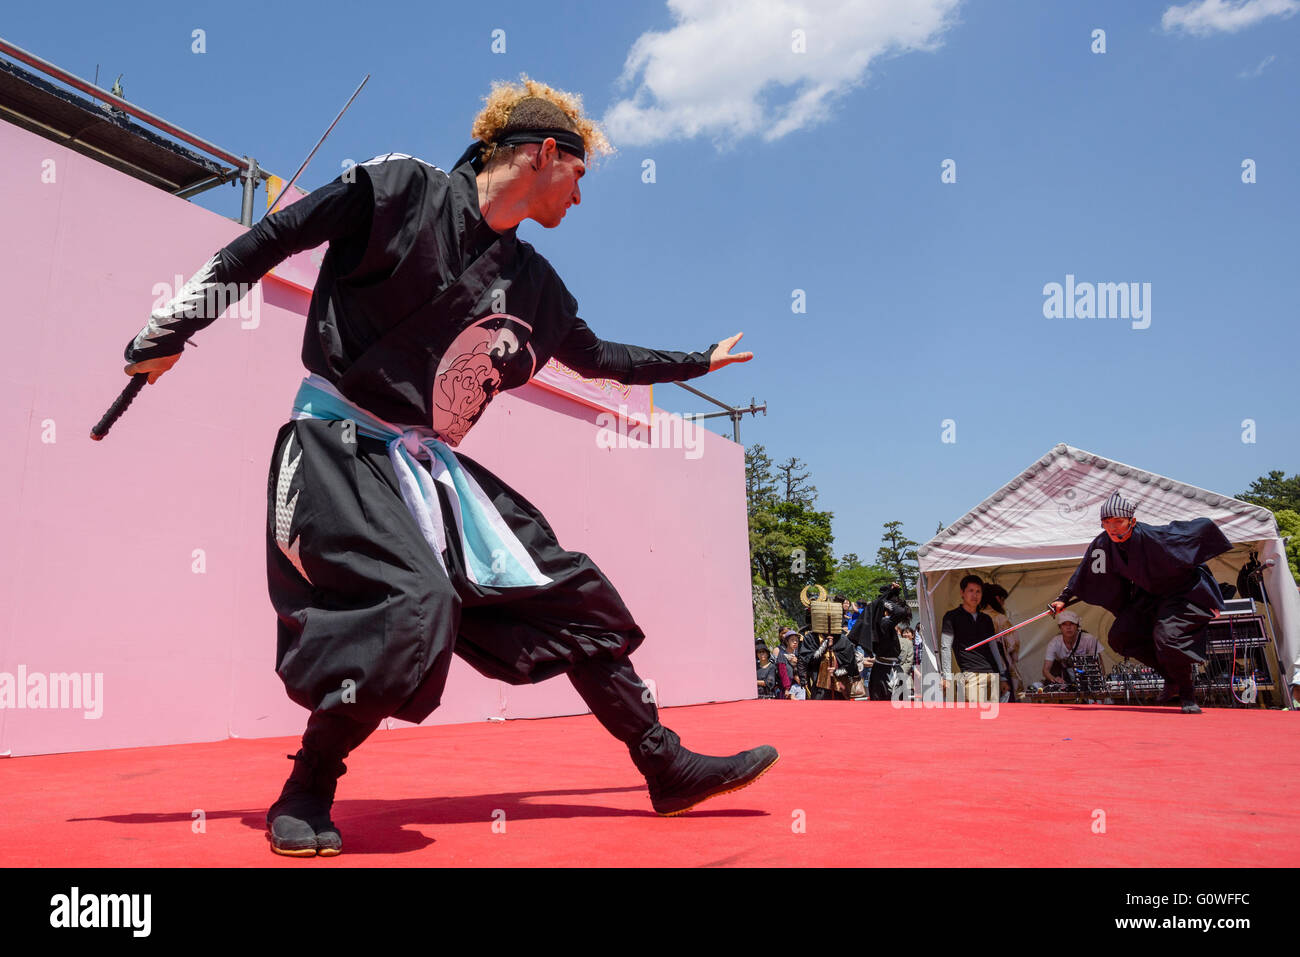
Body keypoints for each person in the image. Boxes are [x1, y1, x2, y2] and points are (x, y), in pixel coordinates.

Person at [120, 77, 778, 856]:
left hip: (428, 467)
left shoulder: (533, 283)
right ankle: (308, 785)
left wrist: (695, 360)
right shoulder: (402, 190)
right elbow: (271, 238)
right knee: (413, 599)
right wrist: (173, 325)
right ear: (543, 153)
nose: (581, 197)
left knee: (566, 591)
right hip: (341, 445)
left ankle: (663, 764)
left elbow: (600, 357)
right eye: (580, 174)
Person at [1050, 491, 1229, 714]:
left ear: (1131, 521)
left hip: (1181, 592)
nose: (1113, 527)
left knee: (1167, 637)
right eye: (1107, 522)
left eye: (1118, 521)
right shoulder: (1103, 543)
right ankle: (1169, 678)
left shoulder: (1156, 537)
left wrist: (1208, 596)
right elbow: (1085, 572)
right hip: (1149, 596)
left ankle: (1187, 694)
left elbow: (1195, 542)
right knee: (1120, 637)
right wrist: (1062, 599)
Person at [940, 575, 1002, 703]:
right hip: (970, 675)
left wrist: (1003, 675)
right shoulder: (951, 617)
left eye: (978, 591)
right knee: (973, 718)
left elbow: (993, 647)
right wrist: (946, 676)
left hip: (992, 675)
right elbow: (945, 647)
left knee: (994, 718)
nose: (975, 595)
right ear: (962, 593)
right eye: (971, 591)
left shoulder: (986, 619)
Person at [979, 583, 1022, 701]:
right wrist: (1013, 656)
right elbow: (1013, 642)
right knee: (1006, 698)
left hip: (978, 663)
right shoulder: (999, 618)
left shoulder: (976, 616)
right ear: (998, 598)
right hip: (999, 662)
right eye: (1003, 600)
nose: (1003, 604)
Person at [1041, 610, 1103, 686]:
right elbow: (1046, 670)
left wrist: (1099, 683)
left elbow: (1099, 665)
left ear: (1077, 626)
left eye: (1072, 624)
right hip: (1063, 674)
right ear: (1060, 627)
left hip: (1085, 673)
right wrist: (1054, 679)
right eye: (1064, 624)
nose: (1068, 627)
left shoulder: (1089, 639)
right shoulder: (1054, 642)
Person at [777, 629, 805, 700]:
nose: (795, 642)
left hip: (798, 686)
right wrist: (787, 688)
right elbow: (782, 672)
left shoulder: (798, 655)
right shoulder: (782, 655)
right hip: (786, 688)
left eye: (796, 640)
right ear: (787, 641)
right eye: (792, 640)